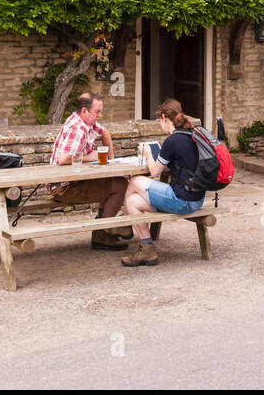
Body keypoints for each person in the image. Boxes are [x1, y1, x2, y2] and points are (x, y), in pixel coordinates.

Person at [119, 98, 207, 267]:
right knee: (132, 202)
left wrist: (147, 154)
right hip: (197, 199)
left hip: (182, 200)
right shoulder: (192, 134)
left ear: (165, 118)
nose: (160, 125)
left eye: (160, 121)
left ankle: (125, 224)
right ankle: (147, 249)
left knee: (135, 181)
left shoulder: (172, 141)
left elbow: (154, 172)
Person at [49, 92, 131, 250]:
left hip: (73, 182)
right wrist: (90, 156)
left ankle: (102, 230)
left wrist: (111, 158)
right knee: (120, 185)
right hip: (64, 187)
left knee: (112, 180)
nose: (100, 115)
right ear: (85, 111)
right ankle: (106, 231)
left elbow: (104, 132)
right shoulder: (78, 128)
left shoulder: (86, 122)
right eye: (97, 112)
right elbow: (63, 159)